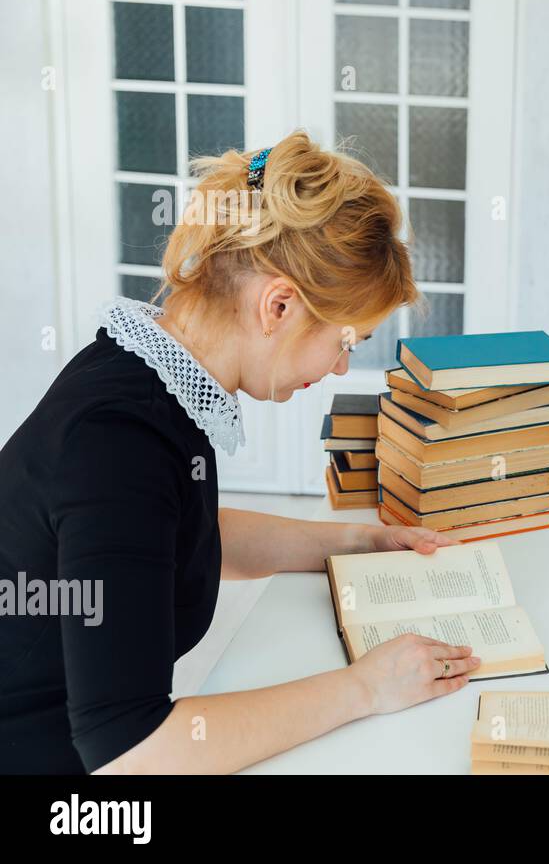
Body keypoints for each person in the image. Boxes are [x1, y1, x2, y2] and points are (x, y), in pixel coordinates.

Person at [0, 130, 479, 774]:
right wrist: (365, 688)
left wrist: (356, 544)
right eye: (345, 342)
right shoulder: (119, 440)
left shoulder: (147, 376)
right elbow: (131, 750)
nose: (340, 368)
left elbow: (177, 533)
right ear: (278, 305)